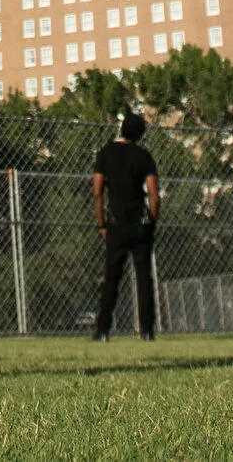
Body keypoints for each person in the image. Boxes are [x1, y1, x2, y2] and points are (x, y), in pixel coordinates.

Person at [90, 112, 161, 341]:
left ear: (121, 128)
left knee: (111, 277)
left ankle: (103, 330)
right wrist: (151, 221)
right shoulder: (143, 156)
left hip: (116, 224)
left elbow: (98, 191)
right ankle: (148, 330)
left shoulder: (106, 153)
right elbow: (154, 194)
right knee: (144, 277)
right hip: (139, 222)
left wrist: (101, 223)